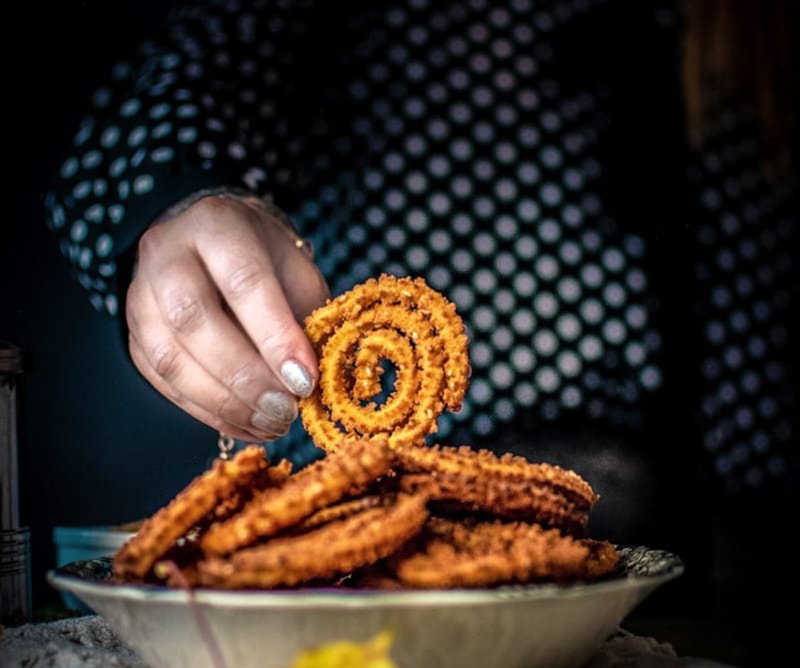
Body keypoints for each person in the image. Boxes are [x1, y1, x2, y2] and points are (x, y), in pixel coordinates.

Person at [45, 0, 796, 499]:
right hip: (350, 515)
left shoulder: (737, 32)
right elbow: (209, 62)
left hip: (666, 535)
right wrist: (182, 195)